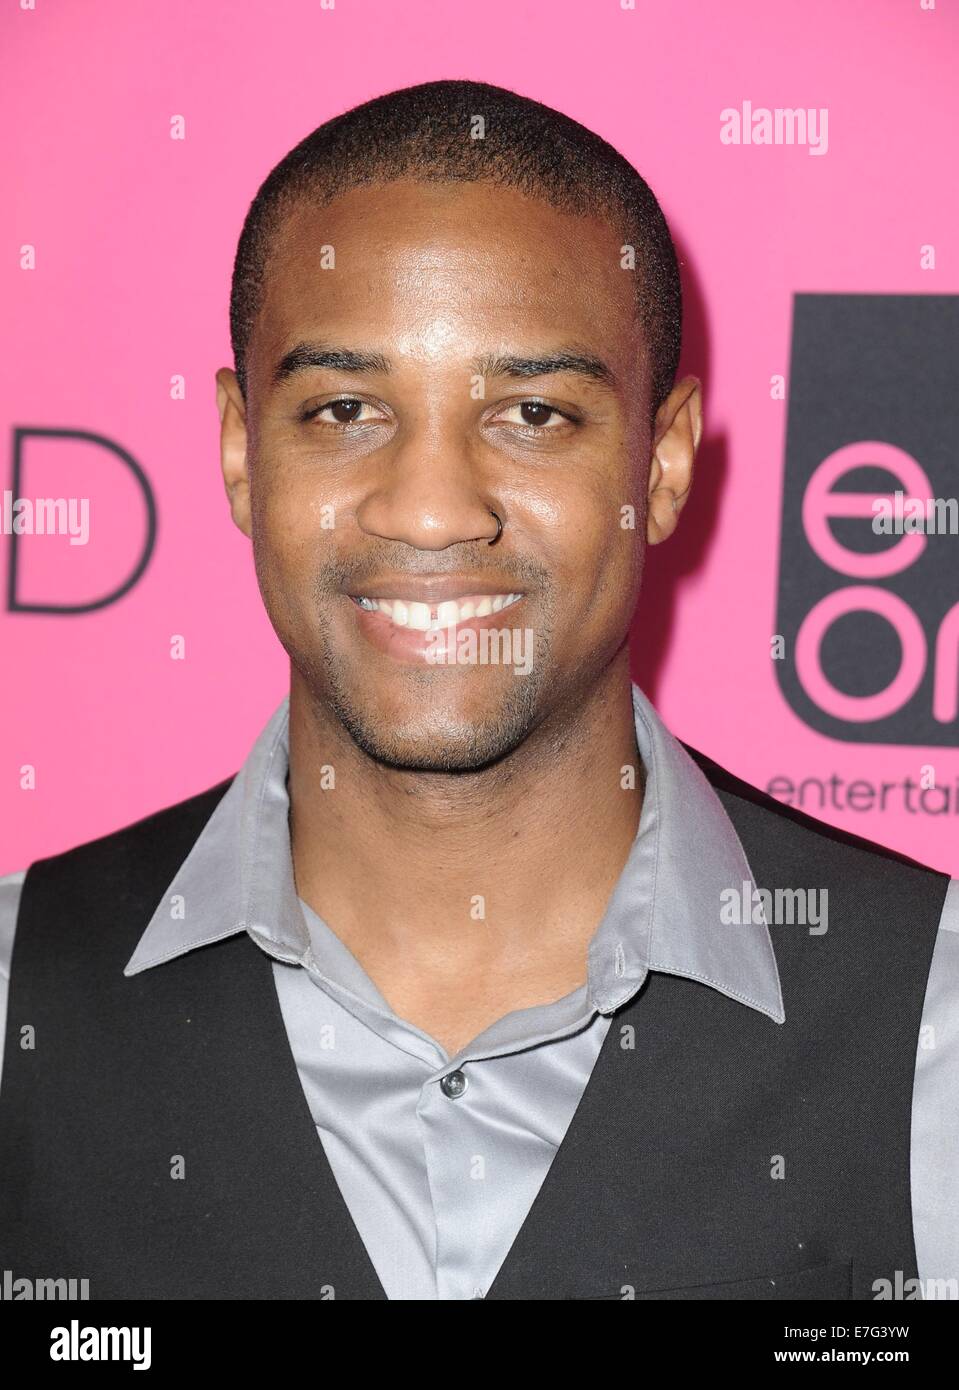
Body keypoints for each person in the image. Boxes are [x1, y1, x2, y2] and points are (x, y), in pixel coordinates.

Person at [1, 79, 956, 1302]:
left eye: (532, 412)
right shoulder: (22, 990)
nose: (434, 509)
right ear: (242, 451)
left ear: (658, 466)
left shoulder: (929, 1025)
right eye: (346, 409)